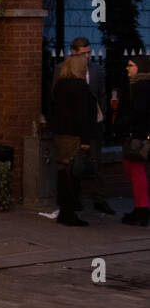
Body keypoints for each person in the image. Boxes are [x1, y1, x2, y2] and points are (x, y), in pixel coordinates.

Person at [52, 38, 113, 214]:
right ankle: (74, 201)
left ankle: (99, 199)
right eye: (83, 53)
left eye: (88, 52)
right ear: (74, 53)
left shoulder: (96, 69)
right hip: (72, 127)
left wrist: (101, 117)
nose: (87, 56)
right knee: (72, 164)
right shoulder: (62, 69)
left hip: (92, 123)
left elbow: (102, 94)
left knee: (95, 162)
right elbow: (56, 97)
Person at [52, 53, 98, 226]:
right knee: (74, 173)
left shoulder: (60, 85)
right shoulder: (80, 87)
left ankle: (64, 210)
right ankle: (70, 213)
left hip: (60, 135)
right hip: (74, 135)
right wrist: (85, 139)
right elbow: (84, 115)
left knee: (63, 172)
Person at [120, 56, 150, 226]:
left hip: (138, 136)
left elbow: (138, 112)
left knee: (135, 169)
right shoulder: (140, 85)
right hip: (140, 134)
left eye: (131, 65)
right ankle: (141, 208)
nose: (127, 68)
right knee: (134, 169)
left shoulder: (140, 86)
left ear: (141, 68)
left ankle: (142, 210)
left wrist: (123, 124)